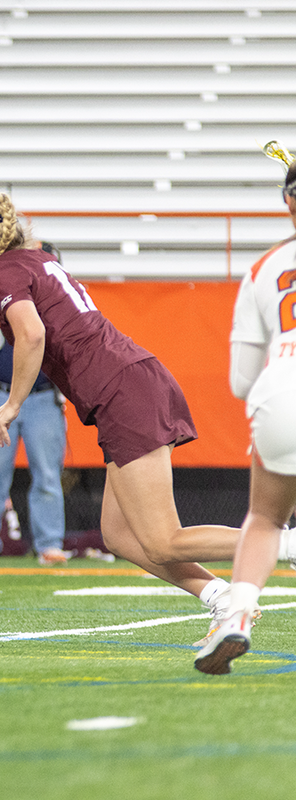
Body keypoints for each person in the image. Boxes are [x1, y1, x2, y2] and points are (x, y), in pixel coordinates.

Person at [0, 191, 296, 643]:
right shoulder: (32, 262)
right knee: (119, 536)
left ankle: (285, 545)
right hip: (130, 385)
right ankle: (220, 597)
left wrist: (13, 403)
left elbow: (32, 333)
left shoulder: (4, 271)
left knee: (163, 539)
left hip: (124, 392)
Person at [195, 161, 296, 674]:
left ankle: (236, 616)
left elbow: (240, 380)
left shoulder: (264, 267)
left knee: (264, 519)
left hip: (280, 392)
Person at [0, 242, 68, 568]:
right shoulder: (10, 296)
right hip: (2, 392)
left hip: (41, 396)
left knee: (48, 474)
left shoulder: (61, 306)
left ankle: (50, 543)